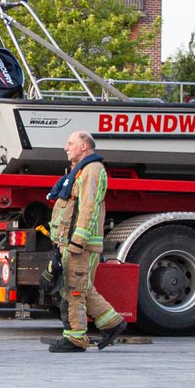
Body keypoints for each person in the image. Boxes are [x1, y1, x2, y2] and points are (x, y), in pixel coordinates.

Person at [48, 129, 126, 353]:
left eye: (70, 143)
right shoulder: (82, 170)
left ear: (84, 147)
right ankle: (112, 323)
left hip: (80, 245)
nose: (66, 147)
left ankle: (75, 339)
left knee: (73, 290)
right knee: (81, 287)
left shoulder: (91, 170)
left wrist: (78, 241)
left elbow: (88, 207)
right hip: (72, 242)